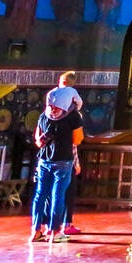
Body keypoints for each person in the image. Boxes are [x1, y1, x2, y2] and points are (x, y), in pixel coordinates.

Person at [31, 88, 84, 244]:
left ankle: (35, 231)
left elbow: (37, 140)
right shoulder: (73, 117)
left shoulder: (43, 116)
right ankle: (54, 232)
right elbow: (77, 140)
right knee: (58, 196)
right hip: (63, 161)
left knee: (40, 195)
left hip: (43, 161)